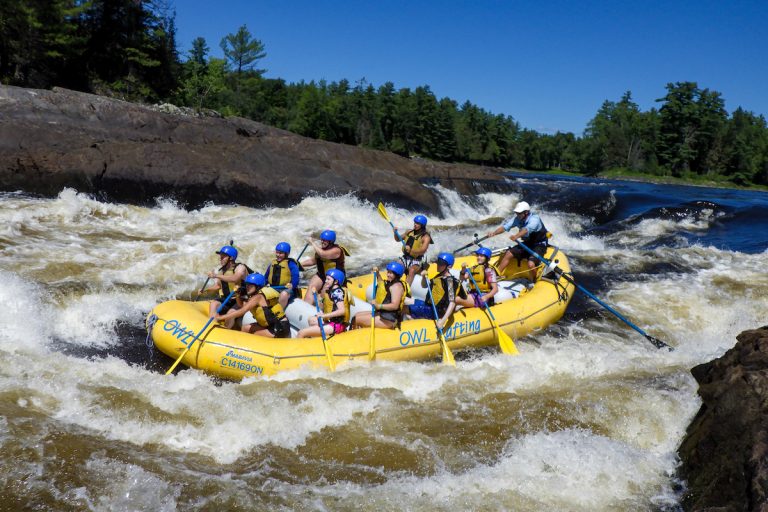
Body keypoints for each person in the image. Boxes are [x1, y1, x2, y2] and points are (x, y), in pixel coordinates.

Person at [487, 201, 549, 282]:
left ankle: (534, 280)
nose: (517, 214)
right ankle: (496, 276)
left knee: (531, 264)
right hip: (528, 243)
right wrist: (494, 233)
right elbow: (505, 227)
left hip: (539, 245)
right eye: (516, 213)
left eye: (519, 213)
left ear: (526, 212)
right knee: (509, 253)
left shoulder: (535, 219)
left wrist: (516, 236)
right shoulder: (517, 219)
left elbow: (526, 230)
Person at [215, 273, 291, 338]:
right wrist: (238, 295)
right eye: (247, 285)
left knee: (254, 335)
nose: (247, 287)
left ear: (257, 286)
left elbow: (242, 311)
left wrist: (221, 317)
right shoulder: (255, 296)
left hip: (279, 327)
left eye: (250, 285)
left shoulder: (258, 297)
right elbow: (241, 305)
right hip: (270, 325)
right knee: (245, 328)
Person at [407, 252, 467, 330]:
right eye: (438, 263)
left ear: (449, 266)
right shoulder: (439, 276)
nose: (438, 265)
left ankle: (414, 325)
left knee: (404, 308)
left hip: (436, 311)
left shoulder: (450, 281)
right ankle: (413, 319)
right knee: (404, 300)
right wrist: (423, 278)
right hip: (429, 305)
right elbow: (424, 285)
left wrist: (442, 321)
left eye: (441, 264)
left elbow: (452, 303)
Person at [201, 245, 248, 329]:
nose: (220, 258)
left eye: (223, 256)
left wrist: (215, 275)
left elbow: (235, 278)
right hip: (227, 299)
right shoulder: (222, 271)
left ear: (231, 258)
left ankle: (225, 331)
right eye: (220, 256)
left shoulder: (240, 268)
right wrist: (205, 290)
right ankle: (212, 326)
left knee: (230, 313)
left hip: (240, 299)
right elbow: (218, 286)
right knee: (214, 304)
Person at [353, 261, 408, 329]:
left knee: (356, 319)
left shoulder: (396, 287)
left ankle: (354, 337)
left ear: (397, 274)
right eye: (388, 272)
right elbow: (381, 285)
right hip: (384, 314)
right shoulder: (391, 283)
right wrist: (378, 274)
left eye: (391, 273)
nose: (388, 275)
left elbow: (395, 306)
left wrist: (379, 306)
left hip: (390, 320)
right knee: (356, 315)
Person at [297, 269, 351, 338]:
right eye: (326, 279)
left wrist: (324, 316)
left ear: (336, 281)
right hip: (331, 322)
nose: (325, 281)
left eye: (328, 279)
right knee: (312, 320)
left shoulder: (337, 293)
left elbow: (342, 311)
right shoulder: (331, 291)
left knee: (301, 333)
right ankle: (317, 340)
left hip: (336, 325)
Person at [300, 230, 351, 304]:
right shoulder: (322, 249)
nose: (322, 242)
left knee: (323, 294)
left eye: (325, 241)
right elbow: (313, 261)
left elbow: (323, 254)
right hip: (322, 275)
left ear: (331, 242)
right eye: (322, 240)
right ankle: (306, 307)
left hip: (335, 277)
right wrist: (299, 264)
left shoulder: (336, 250)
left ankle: (321, 309)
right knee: (312, 287)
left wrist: (312, 242)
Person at [397, 214, 432, 285]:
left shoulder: (426, 237)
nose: (415, 224)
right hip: (406, 258)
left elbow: (423, 250)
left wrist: (411, 251)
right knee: (397, 266)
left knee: (412, 270)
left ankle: (406, 290)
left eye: (417, 223)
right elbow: (398, 239)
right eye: (415, 222)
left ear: (422, 225)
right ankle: (394, 284)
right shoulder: (409, 232)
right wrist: (395, 233)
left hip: (417, 260)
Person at [264, 242, 301, 309]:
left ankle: (279, 313)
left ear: (286, 254)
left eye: (281, 253)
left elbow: (296, 277)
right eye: (277, 252)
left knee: (284, 294)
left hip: (286, 289)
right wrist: (263, 285)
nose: (278, 255)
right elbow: (266, 276)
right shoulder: (272, 263)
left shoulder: (291, 264)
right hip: (273, 288)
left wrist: (292, 285)